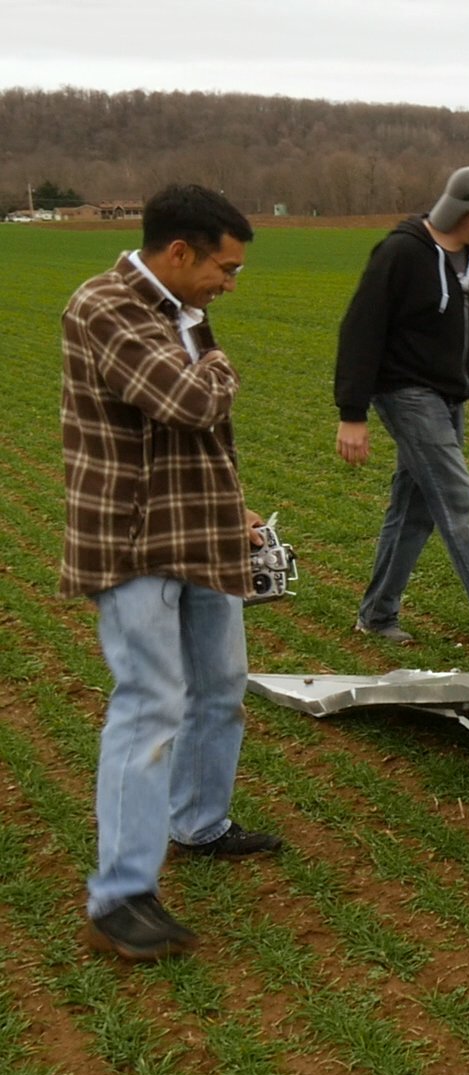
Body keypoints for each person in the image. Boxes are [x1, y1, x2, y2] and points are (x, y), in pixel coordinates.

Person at [60, 183, 284, 962]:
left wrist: (238, 507)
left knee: (221, 688)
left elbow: (204, 437)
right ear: (179, 252)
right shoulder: (103, 306)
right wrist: (220, 367)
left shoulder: (183, 312)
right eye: (225, 267)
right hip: (132, 541)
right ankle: (120, 896)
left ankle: (199, 822)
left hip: (200, 529)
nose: (231, 282)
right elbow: (191, 400)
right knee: (151, 707)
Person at [333, 166, 469, 662]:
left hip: (449, 398)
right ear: (460, 207)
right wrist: (352, 413)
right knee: (458, 508)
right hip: (406, 394)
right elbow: (359, 331)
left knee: (413, 512)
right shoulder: (401, 254)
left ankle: (376, 614)